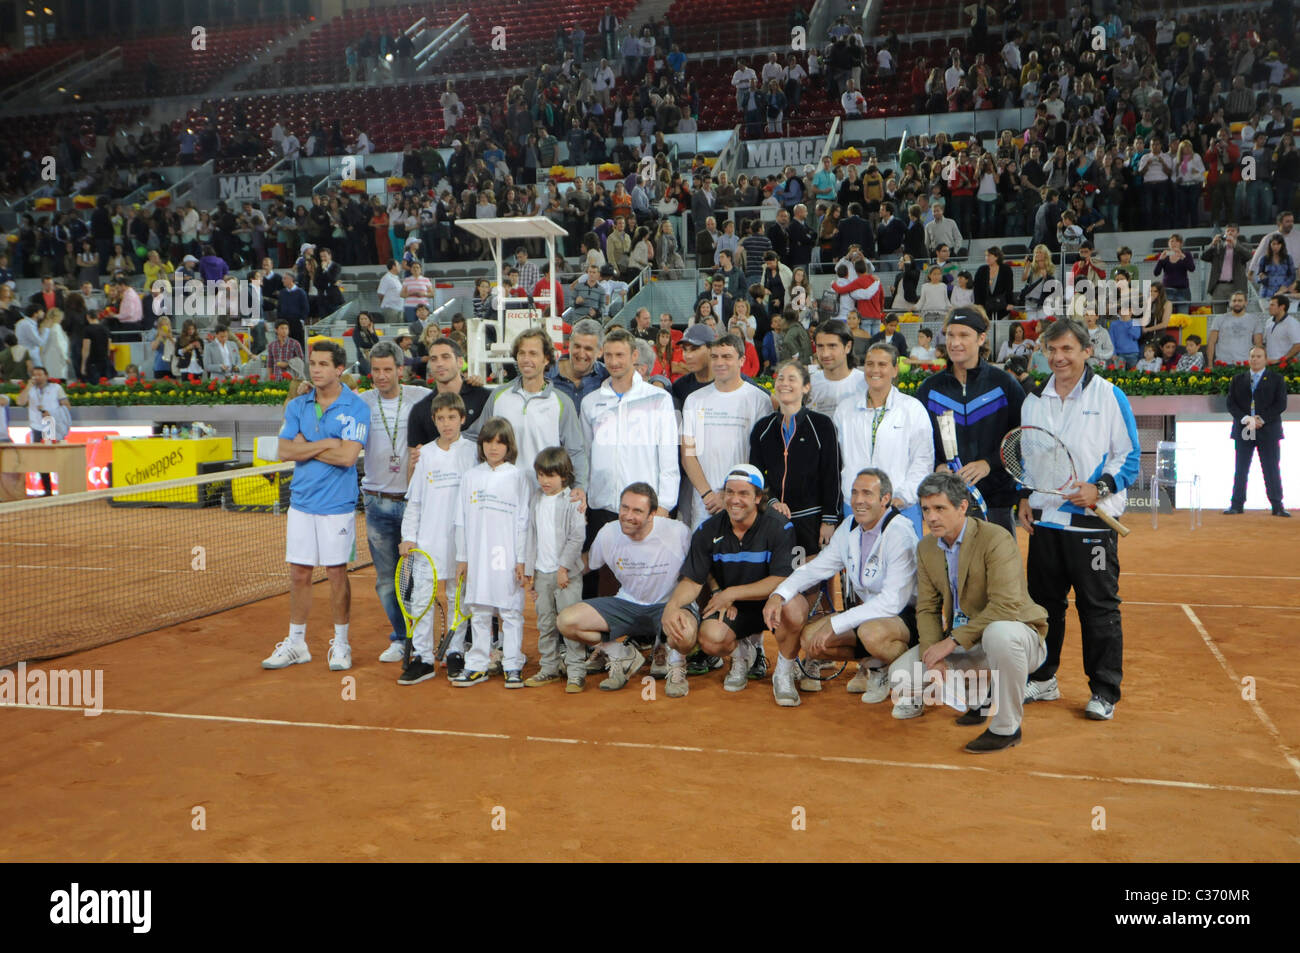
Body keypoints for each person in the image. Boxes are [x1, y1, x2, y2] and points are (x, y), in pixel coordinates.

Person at [1019, 320, 1140, 721]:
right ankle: (1043, 677)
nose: (1058, 357)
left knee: (1098, 607)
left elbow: (1130, 457)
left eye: (1067, 349)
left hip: (1092, 524)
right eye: (1052, 349)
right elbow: (1029, 454)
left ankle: (1104, 691)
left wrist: (1100, 488)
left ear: (1087, 351)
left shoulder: (1109, 395)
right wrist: (1025, 497)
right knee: (1043, 606)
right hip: (1046, 523)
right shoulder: (1034, 399)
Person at [891, 472, 1050, 753]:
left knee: (999, 634)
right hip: (971, 640)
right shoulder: (926, 547)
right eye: (926, 509)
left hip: (1017, 636)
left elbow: (1005, 607)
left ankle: (1006, 728)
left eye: (940, 508)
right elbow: (927, 609)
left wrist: (950, 642)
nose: (931, 517)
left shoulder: (995, 538)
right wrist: (932, 654)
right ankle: (978, 698)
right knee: (900, 675)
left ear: (962, 507)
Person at [764, 467, 918, 706]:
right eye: (855, 493)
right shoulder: (848, 527)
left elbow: (892, 602)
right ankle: (876, 666)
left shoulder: (900, 533)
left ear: (884, 499)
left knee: (871, 634)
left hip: (905, 617)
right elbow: (816, 568)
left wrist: (836, 624)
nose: (858, 500)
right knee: (811, 640)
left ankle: (910, 669)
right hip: (868, 614)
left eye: (867, 493)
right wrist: (779, 594)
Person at [263, 341, 371, 672]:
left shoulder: (356, 407)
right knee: (299, 573)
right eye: (313, 363)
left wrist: (305, 447)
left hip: (337, 505)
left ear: (340, 369)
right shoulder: (297, 405)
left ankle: (341, 643)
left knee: (336, 572)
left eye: (324, 364)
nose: (316, 369)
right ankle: (297, 643)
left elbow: (348, 457)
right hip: (301, 503)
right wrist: (325, 443)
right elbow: (282, 451)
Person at [659, 464, 796, 697]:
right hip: (734, 609)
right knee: (710, 639)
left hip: (771, 605)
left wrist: (730, 593)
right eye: (730, 492)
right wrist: (671, 607)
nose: (735, 500)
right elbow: (693, 581)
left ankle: (784, 672)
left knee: (795, 608)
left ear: (758, 498)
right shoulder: (708, 530)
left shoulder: (780, 526)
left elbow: (781, 579)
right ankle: (740, 656)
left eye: (743, 493)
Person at [557, 481, 691, 692]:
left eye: (637, 510)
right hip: (626, 605)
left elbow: (698, 571)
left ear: (652, 514)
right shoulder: (609, 533)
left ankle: (675, 662)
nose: (628, 515)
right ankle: (623, 655)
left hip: (667, 607)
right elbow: (588, 563)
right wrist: (558, 568)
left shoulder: (678, 533)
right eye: (624, 508)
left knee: (688, 632)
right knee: (567, 621)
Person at [580, 328, 680, 598]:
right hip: (603, 504)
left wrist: (665, 505)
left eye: (620, 355)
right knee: (603, 576)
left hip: (643, 508)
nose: (614, 362)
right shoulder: (590, 403)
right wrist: (588, 499)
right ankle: (601, 637)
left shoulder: (658, 399)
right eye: (609, 355)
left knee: (645, 577)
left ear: (634, 355)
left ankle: (646, 637)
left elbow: (669, 455)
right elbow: (586, 455)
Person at [914, 307, 1024, 535]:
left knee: (998, 570)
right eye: (951, 335)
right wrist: (938, 466)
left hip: (996, 503)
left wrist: (989, 463)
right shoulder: (930, 389)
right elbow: (918, 442)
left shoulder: (1004, 385)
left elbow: (1022, 438)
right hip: (947, 503)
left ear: (981, 338)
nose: (955, 342)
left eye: (964, 335)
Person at [358, 339, 433, 664]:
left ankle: (422, 639)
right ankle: (402, 638)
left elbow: (453, 404)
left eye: (388, 369)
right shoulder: (360, 403)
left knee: (418, 579)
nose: (381, 376)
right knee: (387, 583)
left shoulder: (420, 397)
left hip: (414, 504)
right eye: (376, 370)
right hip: (377, 503)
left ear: (400, 370)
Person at [397, 392, 478, 684]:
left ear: (462, 419)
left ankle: (456, 652)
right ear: (433, 420)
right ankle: (423, 657)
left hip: (461, 544)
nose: (447, 424)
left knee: (459, 599)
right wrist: (409, 536)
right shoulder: (426, 454)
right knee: (421, 600)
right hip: (427, 544)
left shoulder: (473, 452)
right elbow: (415, 502)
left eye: (452, 418)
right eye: (441, 418)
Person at [451, 418, 533, 687]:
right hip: (477, 555)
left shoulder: (518, 476)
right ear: (481, 445)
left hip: (507, 555)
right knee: (479, 609)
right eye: (488, 442)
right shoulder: (471, 476)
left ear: (509, 446)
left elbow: (523, 521)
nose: (494, 448)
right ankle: (477, 664)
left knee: (510, 611)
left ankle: (512, 664)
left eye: (500, 442)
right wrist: (462, 557)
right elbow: (461, 519)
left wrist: (521, 559)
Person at [750, 359, 841, 570]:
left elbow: (832, 473)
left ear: (806, 387)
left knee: (808, 579)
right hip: (773, 518)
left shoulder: (821, 424)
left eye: (792, 379)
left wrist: (829, 520)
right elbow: (756, 475)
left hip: (810, 518)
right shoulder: (763, 428)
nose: (784, 383)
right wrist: (771, 502)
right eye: (781, 378)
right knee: (778, 576)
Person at [834, 343, 933, 535]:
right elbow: (837, 462)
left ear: (895, 370)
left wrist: (901, 498)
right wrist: (850, 494)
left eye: (882, 364)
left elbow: (922, 461)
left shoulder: (912, 409)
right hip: (855, 509)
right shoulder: (845, 410)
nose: (875, 370)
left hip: (901, 509)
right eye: (870, 364)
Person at [680, 332, 774, 529]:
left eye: (727, 357)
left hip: (743, 500)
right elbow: (688, 454)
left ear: (742, 360)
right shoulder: (694, 400)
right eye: (714, 357)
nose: (719, 362)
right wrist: (708, 494)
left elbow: (761, 456)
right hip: (706, 503)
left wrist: (730, 494)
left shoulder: (759, 400)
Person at [484, 328, 588, 497]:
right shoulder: (498, 396)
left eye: (533, 354)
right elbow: (476, 437)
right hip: (504, 494)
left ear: (546, 359)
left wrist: (579, 486)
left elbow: (575, 451)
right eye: (521, 353)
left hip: (546, 496)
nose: (526, 359)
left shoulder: (562, 403)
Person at [522, 447, 589, 687]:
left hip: (566, 575)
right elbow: (530, 535)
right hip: (542, 574)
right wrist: (530, 571)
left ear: (564, 475)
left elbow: (577, 537)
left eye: (549, 476)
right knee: (545, 624)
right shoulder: (536, 499)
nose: (544, 481)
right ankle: (549, 667)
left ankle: (576, 672)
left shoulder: (573, 500)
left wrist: (563, 568)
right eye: (540, 475)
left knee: (570, 625)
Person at [1224, 346, 1290, 517]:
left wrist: (1261, 419)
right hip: (1244, 428)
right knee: (1241, 468)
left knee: (1271, 468)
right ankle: (1236, 504)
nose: (1255, 359)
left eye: (1258, 356)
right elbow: (1231, 404)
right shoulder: (1238, 379)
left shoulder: (1277, 379)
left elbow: (1280, 404)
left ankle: (1277, 505)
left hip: (1267, 429)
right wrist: (1246, 419)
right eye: (1252, 356)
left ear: (1266, 359)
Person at [407, 338, 491, 449]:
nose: (439, 364)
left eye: (445, 357)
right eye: (433, 359)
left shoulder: (484, 398)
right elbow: (414, 459)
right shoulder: (420, 409)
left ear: (460, 362)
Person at [13, 366, 70, 495]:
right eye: (35, 375)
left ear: (46, 375)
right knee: (41, 460)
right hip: (37, 428)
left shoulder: (56, 388)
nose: (37, 377)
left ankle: (65, 489)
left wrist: (53, 413)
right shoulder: (30, 390)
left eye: (40, 374)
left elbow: (67, 406)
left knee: (58, 459)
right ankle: (47, 490)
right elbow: (20, 402)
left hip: (52, 427)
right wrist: (28, 387)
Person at [546, 318, 609, 408]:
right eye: (577, 346)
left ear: (600, 352)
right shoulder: (546, 374)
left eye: (588, 349)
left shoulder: (607, 376)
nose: (581, 354)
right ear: (569, 345)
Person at [807, 319, 865, 417]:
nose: (825, 354)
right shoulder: (808, 385)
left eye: (832, 346)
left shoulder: (864, 383)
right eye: (820, 346)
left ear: (848, 347)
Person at [1205, 292, 1263, 367]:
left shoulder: (1254, 320)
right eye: (1234, 301)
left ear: (1246, 303)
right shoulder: (1219, 319)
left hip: (1245, 363)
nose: (1237, 303)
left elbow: (1258, 344)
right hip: (1222, 363)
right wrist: (1210, 364)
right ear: (1230, 303)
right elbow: (1211, 342)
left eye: (1240, 301)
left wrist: (1257, 364)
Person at [1262, 293, 1300, 366]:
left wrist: (1282, 360)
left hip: (1283, 366)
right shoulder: (1269, 321)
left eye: (1272, 305)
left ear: (1282, 307)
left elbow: (1298, 345)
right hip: (1268, 364)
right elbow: (1266, 343)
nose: (1269, 307)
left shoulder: (1292, 323)